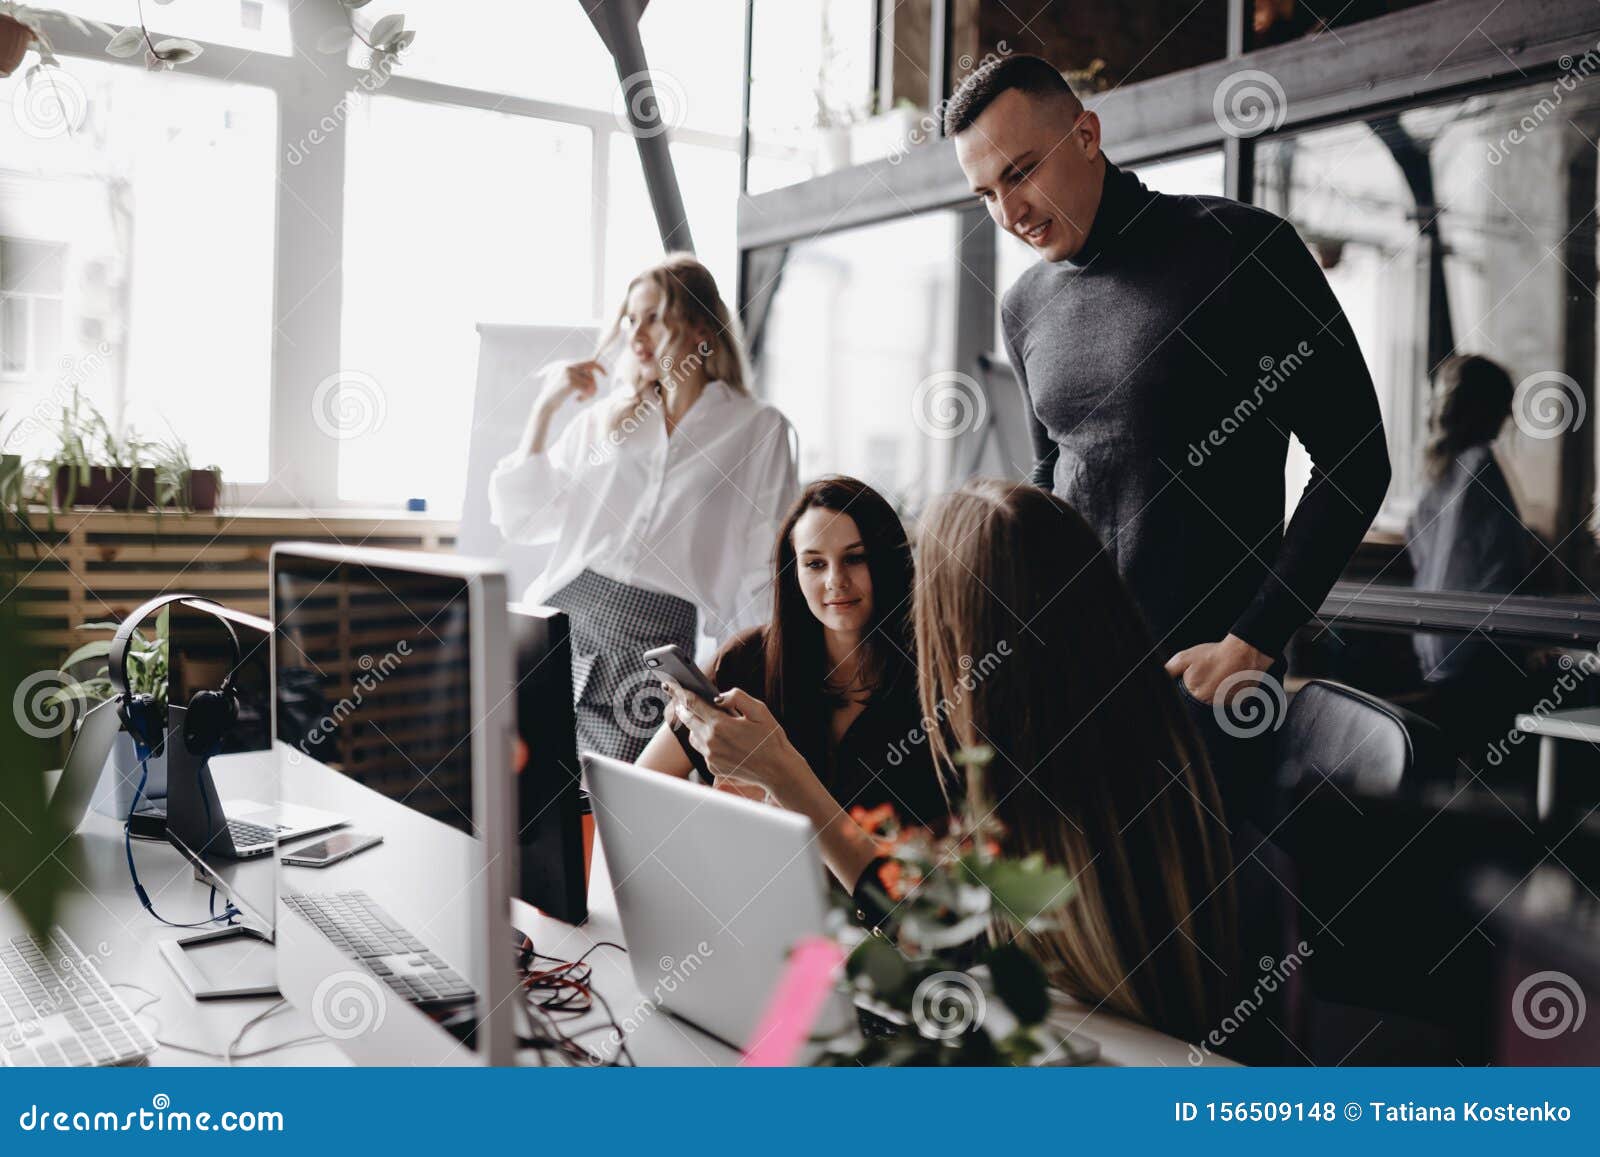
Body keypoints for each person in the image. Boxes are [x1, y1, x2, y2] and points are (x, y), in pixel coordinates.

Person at [676, 479, 1279, 1055]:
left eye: (931, 609)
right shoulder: (1115, 708)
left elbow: (934, 935)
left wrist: (784, 774)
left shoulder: (1045, 762)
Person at [945, 55, 1391, 821]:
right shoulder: (1023, 306)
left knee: (1199, 935)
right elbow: (1052, 480)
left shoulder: (1242, 251)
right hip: (1070, 694)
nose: (1009, 210)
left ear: (1086, 134)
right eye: (986, 193)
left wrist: (1253, 640)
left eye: (1021, 173)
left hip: (1207, 701)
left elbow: (1354, 461)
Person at [490, 253, 798, 763]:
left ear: (701, 326)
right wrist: (546, 407)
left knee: (620, 809)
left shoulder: (758, 429)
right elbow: (524, 520)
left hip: (659, 652)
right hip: (565, 629)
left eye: (654, 316)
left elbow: (762, 566)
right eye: (630, 318)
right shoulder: (603, 422)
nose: (637, 333)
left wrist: (746, 675)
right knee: (534, 796)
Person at [638, 475, 948, 830]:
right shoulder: (746, 660)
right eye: (815, 564)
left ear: (889, 561)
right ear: (794, 572)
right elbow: (643, 787)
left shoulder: (935, 681)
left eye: (855, 558)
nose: (835, 580)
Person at [1407, 354, 1531, 684]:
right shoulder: (1477, 466)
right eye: (1505, 404)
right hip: (1478, 648)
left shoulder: (1439, 470)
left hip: (1444, 641)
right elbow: (1456, 567)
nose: (1509, 416)